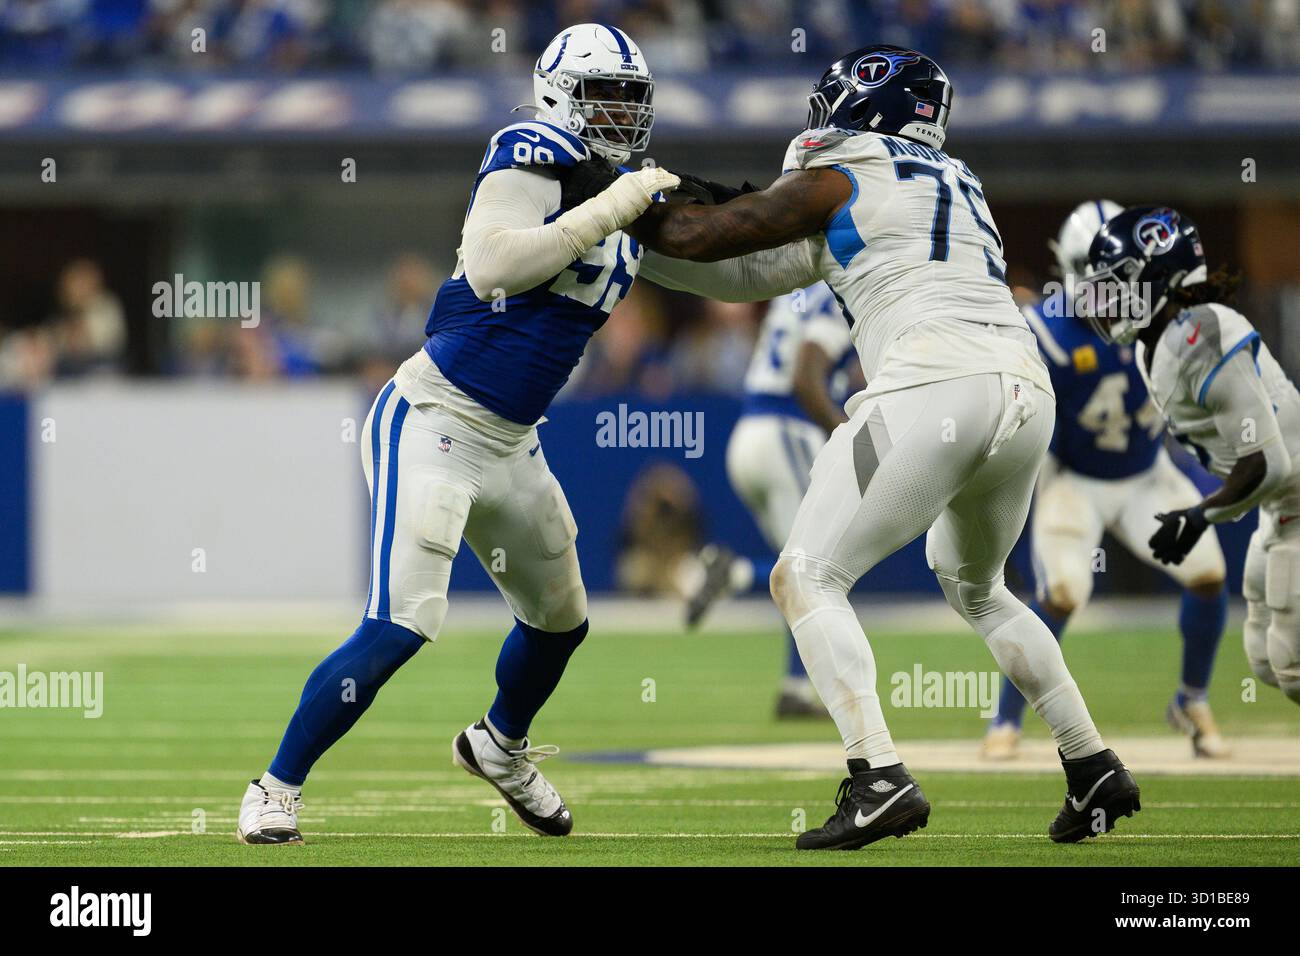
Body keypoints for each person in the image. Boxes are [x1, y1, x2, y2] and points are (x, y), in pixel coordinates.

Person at [576, 44, 1140, 849]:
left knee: (804, 576)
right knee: (981, 590)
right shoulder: (954, 181)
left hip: (933, 383)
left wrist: (613, 193)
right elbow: (744, 269)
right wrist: (645, 234)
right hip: (1023, 394)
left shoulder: (848, 167)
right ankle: (1092, 767)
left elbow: (710, 236)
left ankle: (878, 778)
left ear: (865, 104)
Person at [236, 22, 679, 844]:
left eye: (631, 97)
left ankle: (499, 747)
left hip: (513, 437)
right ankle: (274, 787)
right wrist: (612, 205)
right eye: (605, 95)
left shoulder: (621, 187)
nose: (621, 112)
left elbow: (714, 260)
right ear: (560, 96)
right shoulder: (531, 147)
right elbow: (493, 266)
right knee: (403, 621)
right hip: (435, 416)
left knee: (562, 619)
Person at [982, 201, 1229, 760]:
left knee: (1209, 574)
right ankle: (1005, 719)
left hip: (1147, 472)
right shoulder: (1045, 332)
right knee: (1065, 593)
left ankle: (1192, 698)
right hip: (1077, 478)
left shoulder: (1164, 316)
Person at [1082, 204, 1300, 708]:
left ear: (1161, 276)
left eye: (1120, 283)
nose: (1108, 298)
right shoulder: (1150, 348)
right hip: (1278, 506)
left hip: (1290, 493)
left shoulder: (1203, 333)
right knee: (1265, 661)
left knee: (1291, 664)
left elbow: (1268, 463)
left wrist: (1201, 516)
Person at [677, 282, 858, 717]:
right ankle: (734, 575)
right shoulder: (839, 292)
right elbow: (806, 377)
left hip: (750, 433)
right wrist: (849, 437)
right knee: (814, 568)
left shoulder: (795, 290)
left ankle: (794, 686)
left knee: (799, 565)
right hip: (786, 430)